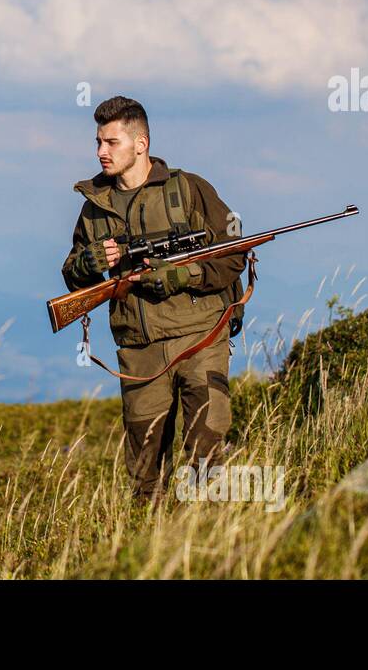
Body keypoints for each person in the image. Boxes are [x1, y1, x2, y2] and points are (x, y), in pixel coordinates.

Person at [61, 96, 245, 501]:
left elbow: (234, 254)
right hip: (139, 349)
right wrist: (89, 262)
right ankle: (150, 552)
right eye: (98, 142)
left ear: (140, 143)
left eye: (111, 143)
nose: (100, 152)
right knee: (146, 475)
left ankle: (208, 547)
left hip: (200, 338)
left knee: (206, 455)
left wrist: (183, 275)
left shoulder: (188, 190)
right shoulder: (95, 208)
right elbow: (72, 276)